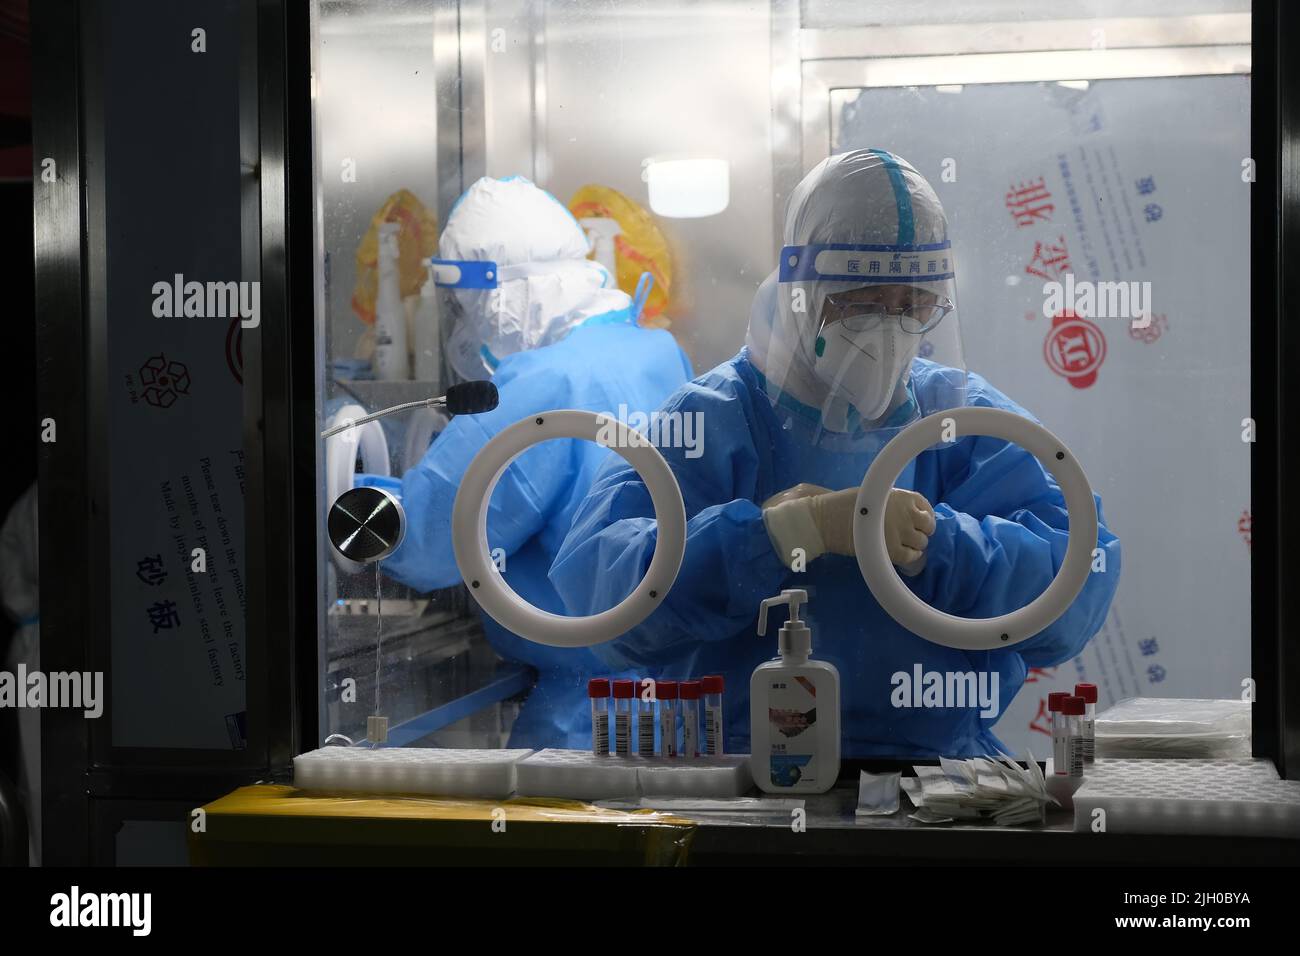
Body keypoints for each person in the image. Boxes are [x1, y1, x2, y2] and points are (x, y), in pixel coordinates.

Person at [551, 149, 1121, 759]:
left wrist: (939, 544)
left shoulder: (961, 420)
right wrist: (772, 534)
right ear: (803, 289)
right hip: (738, 774)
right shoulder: (711, 419)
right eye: (863, 299)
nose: (892, 325)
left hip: (937, 780)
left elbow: (1076, 584)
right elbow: (599, 592)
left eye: (914, 304)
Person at [379, 176, 693, 749]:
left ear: (501, 295)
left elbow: (430, 536)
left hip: (589, 717)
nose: (466, 324)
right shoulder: (653, 351)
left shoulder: (545, 381)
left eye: (466, 305)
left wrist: (345, 487)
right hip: (681, 696)